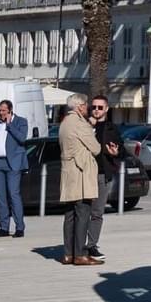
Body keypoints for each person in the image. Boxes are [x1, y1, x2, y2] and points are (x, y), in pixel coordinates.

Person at [58, 100, 103, 265]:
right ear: (78, 106)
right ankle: (80, 254)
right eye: (84, 104)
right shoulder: (80, 124)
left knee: (70, 215)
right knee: (83, 213)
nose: (87, 107)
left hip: (68, 172)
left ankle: (68, 254)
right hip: (81, 173)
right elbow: (96, 148)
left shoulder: (64, 123)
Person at [0, 100, 30, 239]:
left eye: (4, 110)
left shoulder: (21, 122)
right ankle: (3, 227)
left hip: (12, 163)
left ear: (10, 110)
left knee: (13, 194)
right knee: (1, 197)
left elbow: (22, 139)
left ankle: (19, 227)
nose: (1, 113)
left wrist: (9, 125)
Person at [86, 95, 121, 260]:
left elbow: (120, 150)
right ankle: (78, 245)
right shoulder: (85, 125)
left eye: (100, 107)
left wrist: (115, 153)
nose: (96, 110)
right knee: (82, 211)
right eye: (94, 107)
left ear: (106, 109)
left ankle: (91, 245)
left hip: (102, 174)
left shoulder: (111, 128)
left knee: (97, 212)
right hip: (85, 173)